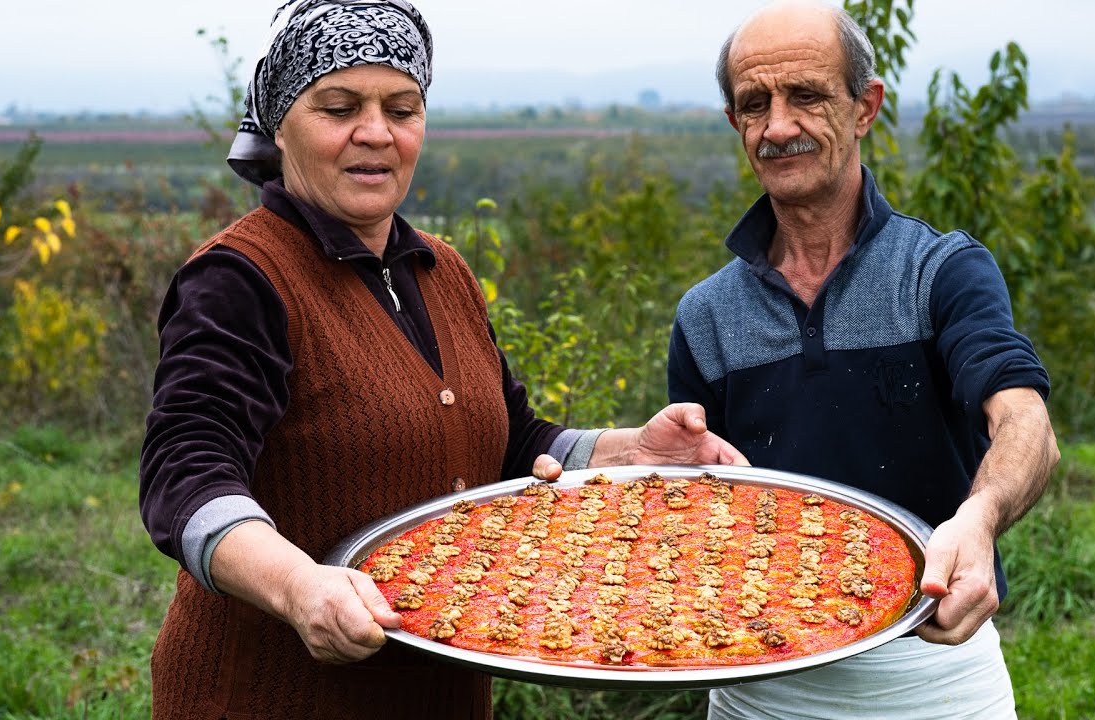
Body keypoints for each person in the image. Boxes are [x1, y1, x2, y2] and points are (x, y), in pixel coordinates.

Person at [138, 2, 746, 718]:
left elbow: (515, 444)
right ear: (280, 121)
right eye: (338, 106)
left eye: (402, 108)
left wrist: (632, 450)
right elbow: (187, 477)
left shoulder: (440, 271)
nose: (376, 133)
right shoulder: (242, 279)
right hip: (274, 697)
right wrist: (301, 587)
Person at [667, 2, 1060, 718]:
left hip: (936, 680)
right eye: (755, 104)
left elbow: (1025, 420)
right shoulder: (705, 317)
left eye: (807, 96)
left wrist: (980, 518)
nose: (779, 127)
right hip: (759, 690)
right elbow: (703, 510)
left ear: (865, 107)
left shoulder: (941, 272)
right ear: (736, 125)